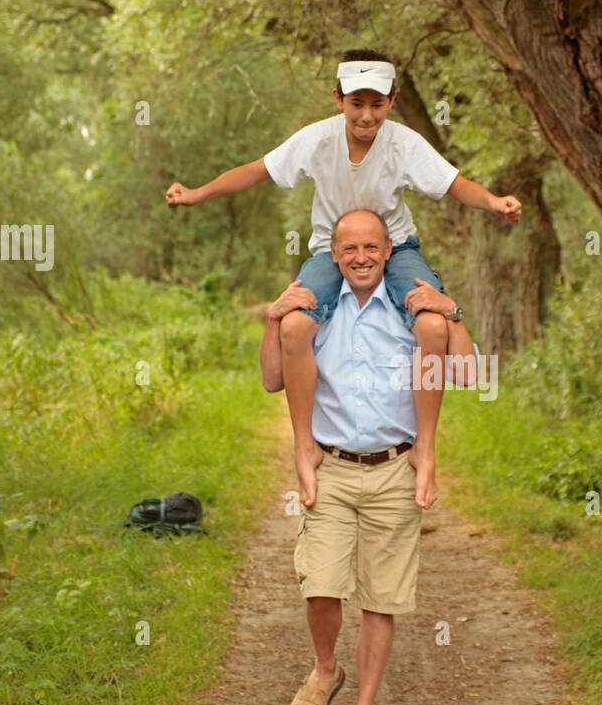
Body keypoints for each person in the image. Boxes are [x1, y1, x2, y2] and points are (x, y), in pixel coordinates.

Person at [167, 48, 518, 513]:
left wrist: (493, 202)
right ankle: (304, 444)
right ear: (338, 99)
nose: (366, 115)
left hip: (396, 248)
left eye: (377, 104)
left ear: (392, 101)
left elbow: (455, 184)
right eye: (357, 104)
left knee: (433, 326)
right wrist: (196, 194)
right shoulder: (316, 140)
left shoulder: (404, 143)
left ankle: (425, 448)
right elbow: (256, 171)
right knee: (295, 326)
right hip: (330, 253)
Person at [259, 208, 477, 705]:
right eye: (350, 249)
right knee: (321, 586)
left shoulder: (412, 313)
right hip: (331, 468)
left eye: (371, 248)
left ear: (388, 252)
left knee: (381, 599)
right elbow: (272, 378)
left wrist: (450, 311)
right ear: (334, 255)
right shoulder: (317, 313)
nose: (361, 258)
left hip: (395, 469)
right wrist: (272, 319)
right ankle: (324, 670)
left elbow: (470, 373)